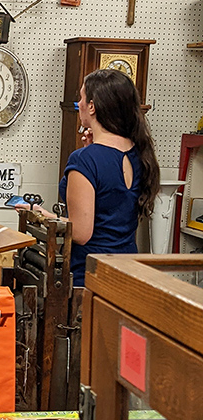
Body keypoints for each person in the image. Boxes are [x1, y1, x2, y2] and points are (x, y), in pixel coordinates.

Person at [56, 67, 160, 288]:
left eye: (81, 98)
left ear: (92, 106)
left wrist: (43, 216)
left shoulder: (84, 160)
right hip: (128, 272)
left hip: (91, 278)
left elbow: (82, 233)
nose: (79, 105)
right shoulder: (139, 153)